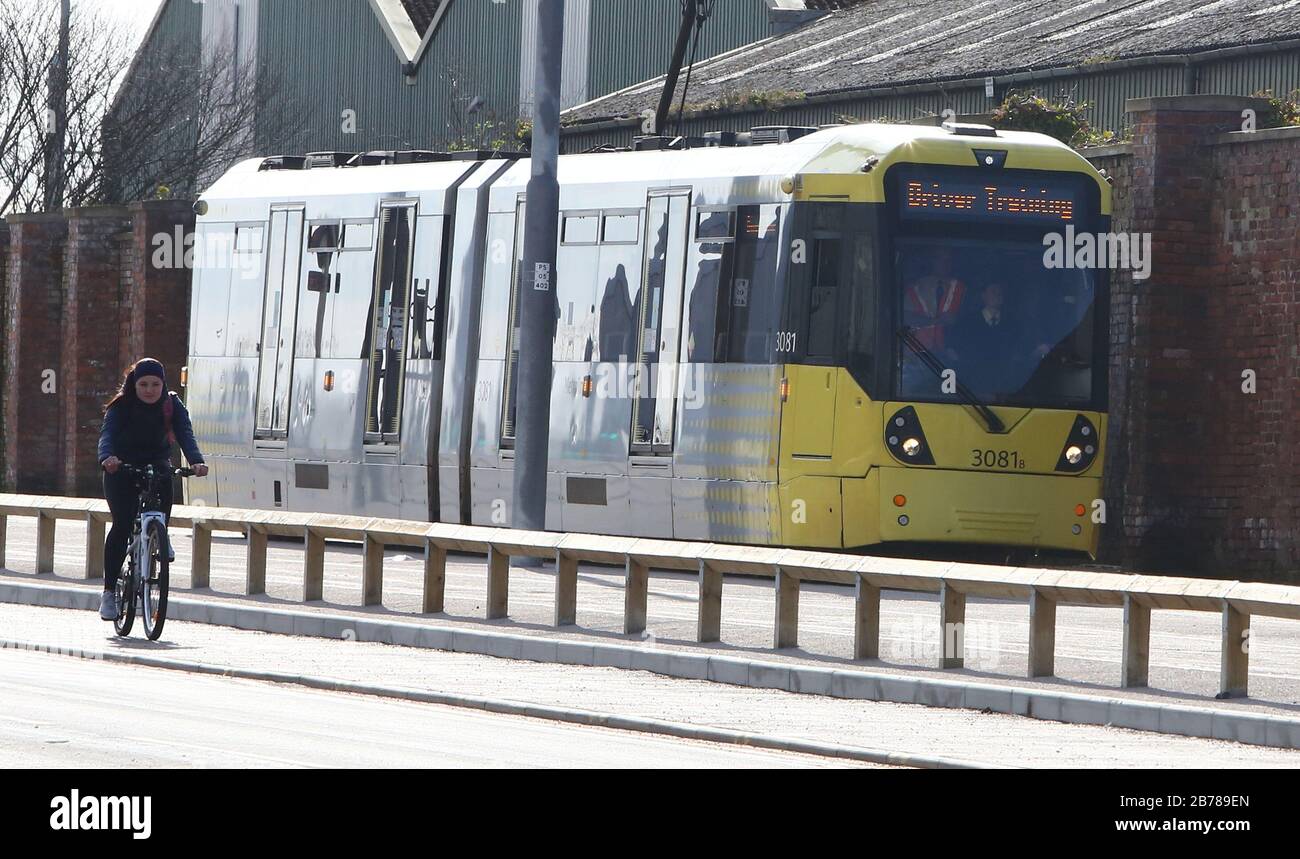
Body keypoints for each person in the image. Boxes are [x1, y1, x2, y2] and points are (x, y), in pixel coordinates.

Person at [97, 359, 208, 621]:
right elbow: (107, 434)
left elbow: (185, 433)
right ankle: (109, 593)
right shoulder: (121, 406)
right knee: (122, 525)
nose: (149, 390)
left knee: (165, 481)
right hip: (121, 467)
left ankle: (160, 533)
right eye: (143, 384)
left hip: (157, 462)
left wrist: (196, 460)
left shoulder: (171, 404)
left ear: (163, 384)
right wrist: (108, 458)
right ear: (134, 385)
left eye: (155, 384)